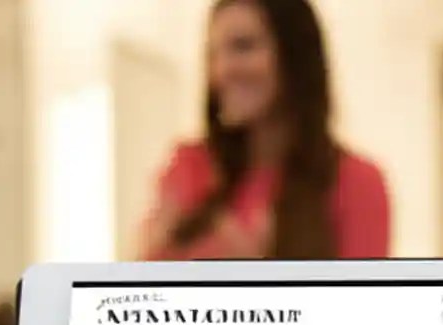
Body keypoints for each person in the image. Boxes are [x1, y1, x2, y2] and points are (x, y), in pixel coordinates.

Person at [144, 0, 391, 261]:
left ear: (295, 55)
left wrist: (259, 273)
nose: (222, 70)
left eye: (243, 47)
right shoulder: (188, 165)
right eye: (213, 54)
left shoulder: (357, 181)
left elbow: (360, 299)